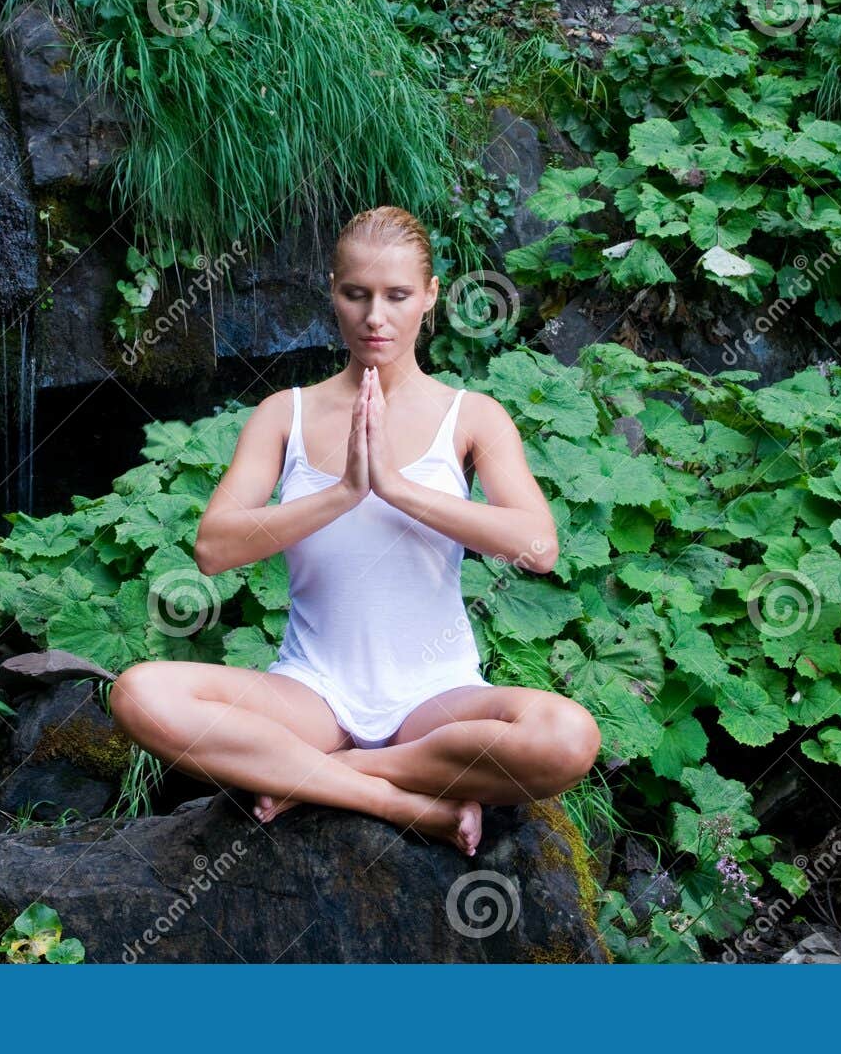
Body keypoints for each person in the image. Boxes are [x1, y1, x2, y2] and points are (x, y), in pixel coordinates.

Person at [109, 206, 602, 856]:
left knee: (568, 735)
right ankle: (398, 802)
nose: (376, 317)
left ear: (429, 297)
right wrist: (344, 491)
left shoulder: (472, 416)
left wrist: (398, 487)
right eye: (356, 294)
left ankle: (329, 776)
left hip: (436, 699)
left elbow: (539, 547)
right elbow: (213, 547)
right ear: (332, 293)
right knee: (139, 692)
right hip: (312, 696)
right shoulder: (282, 414)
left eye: (397, 295)